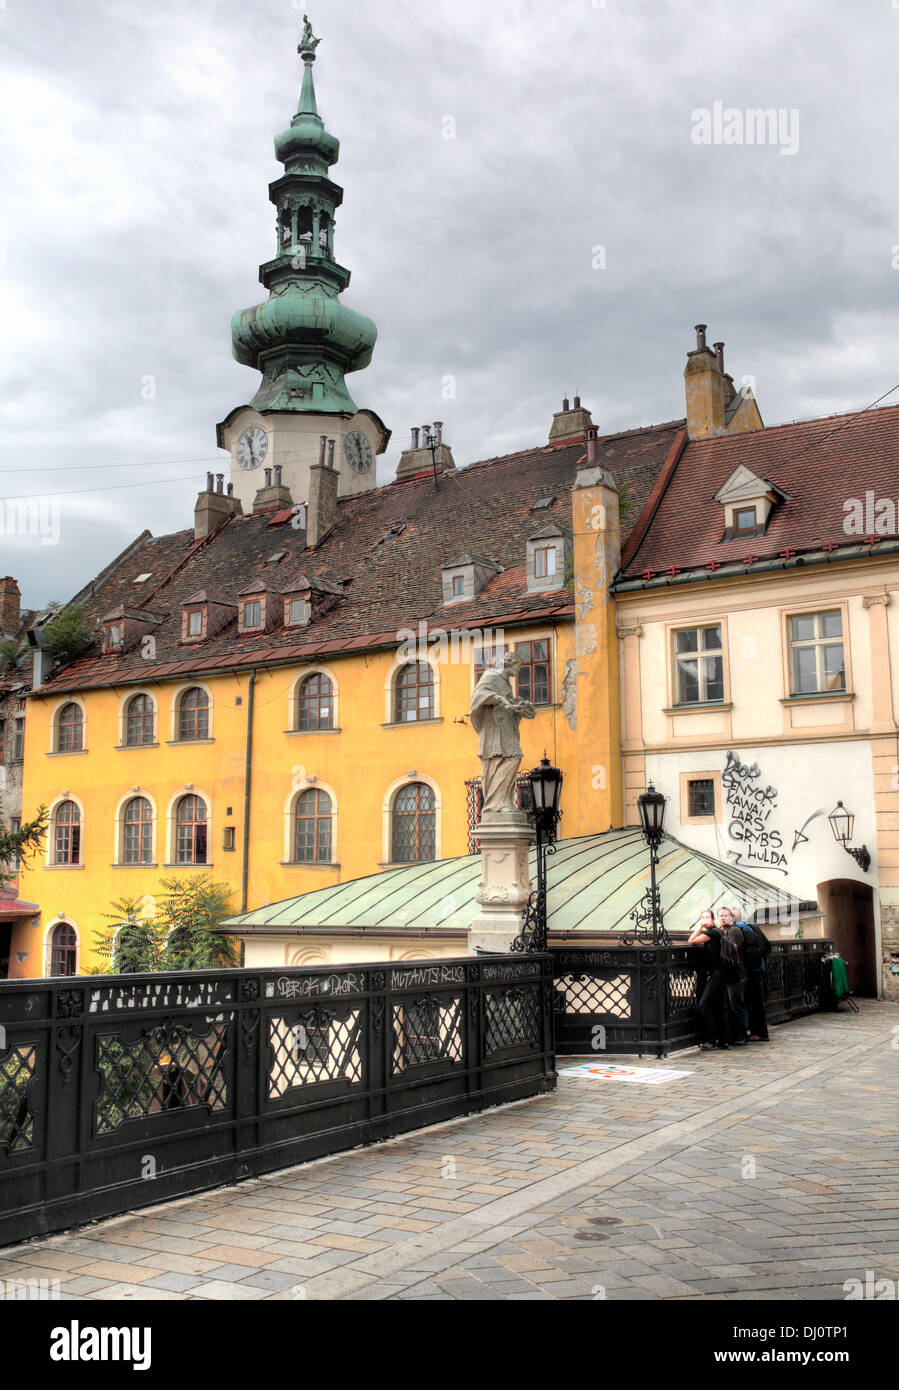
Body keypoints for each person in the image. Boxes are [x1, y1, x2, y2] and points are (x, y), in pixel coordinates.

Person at [688, 909, 730, 1050]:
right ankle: (724, 1040)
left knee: (704, 1006)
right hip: (722, 974)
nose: (704, 920)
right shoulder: (718, 932)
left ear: (712, 919)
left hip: (717, 975)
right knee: (720, 1007)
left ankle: (711, 1040)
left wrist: (699, 927)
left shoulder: (711, 933)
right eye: (702, 917)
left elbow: (691, 941)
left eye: (707, 917)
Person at [732, 906, 771, 1041]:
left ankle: (757, 1032)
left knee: (750, 1001)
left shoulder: (737, 930)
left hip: (748, 971)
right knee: (757, 1001)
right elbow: (767, 946)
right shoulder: (753, 927)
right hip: (759, 968)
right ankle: (760, 1031)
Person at [718, 907, 749, 1046]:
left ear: (731, 917)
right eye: (720, 915)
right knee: (729, 1005)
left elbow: (732, 947)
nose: (723, 918)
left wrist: (717, 935)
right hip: (727, 974)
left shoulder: (735, 930)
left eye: (725, 915)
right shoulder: (722, 931)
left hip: (737, 973)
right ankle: (732, 1034)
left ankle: (742, 1034)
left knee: (737, 1004)